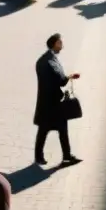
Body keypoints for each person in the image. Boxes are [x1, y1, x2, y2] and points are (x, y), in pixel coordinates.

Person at [34, 34, 81, 166]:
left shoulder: (44, 59)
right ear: (54, 44)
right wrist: (70, 76)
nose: (62, 45)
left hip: (46, 102)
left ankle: (46, 156)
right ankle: (64, 156)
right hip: (52, 103)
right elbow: (60, 81)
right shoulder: (50, 61)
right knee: (54, 129)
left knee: (46, 129)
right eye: (60, 43)